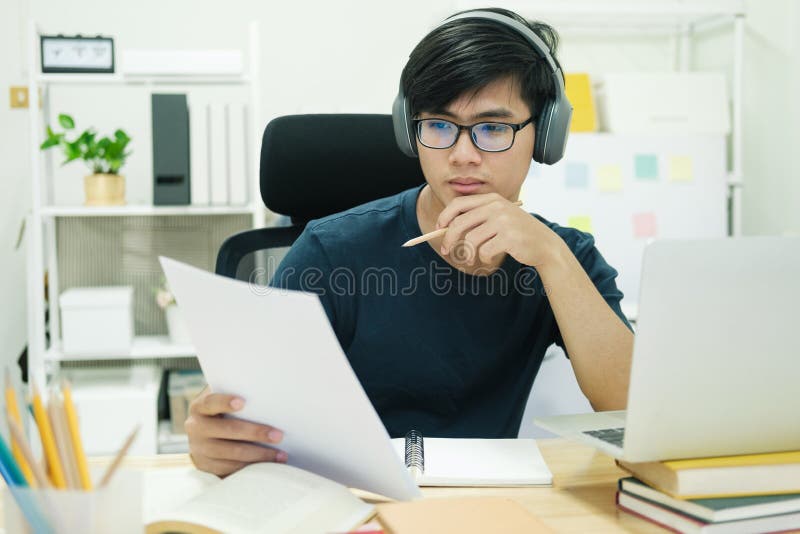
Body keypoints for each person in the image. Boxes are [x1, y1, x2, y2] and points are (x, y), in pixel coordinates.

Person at [186, 7, 634, 477]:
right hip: (349, 496)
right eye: (439, 125)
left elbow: (630, 411)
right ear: (410, 130)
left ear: (544, 135)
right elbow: (244, 407)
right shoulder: (332, 250)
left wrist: (551, 259)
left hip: (484, 502)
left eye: (493, 128)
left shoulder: (562, 256)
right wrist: (215, 435)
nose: (463, 156)